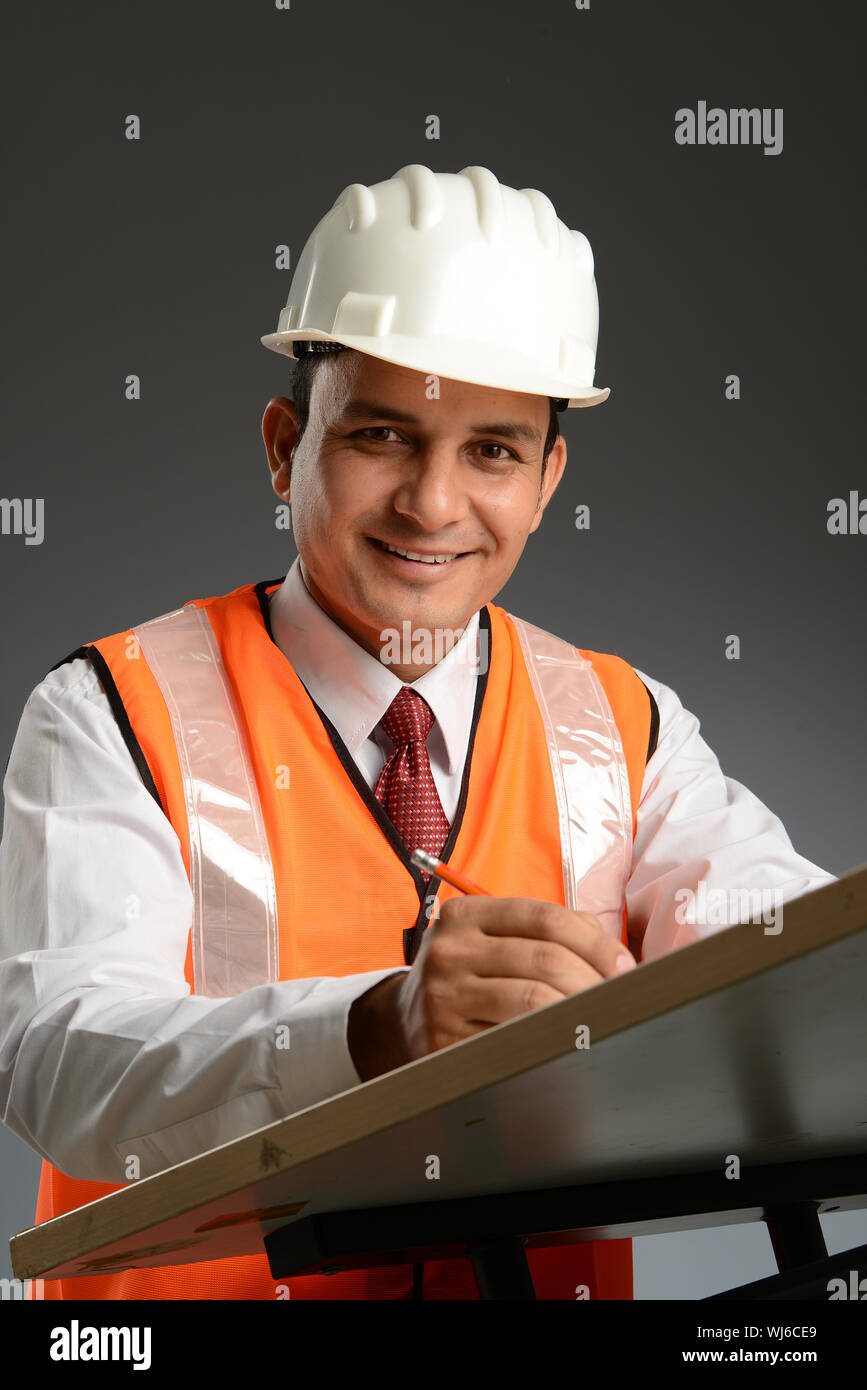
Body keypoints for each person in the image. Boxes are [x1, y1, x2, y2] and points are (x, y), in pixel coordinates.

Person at [0, 164, 834, 1301]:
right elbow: (62, 1065)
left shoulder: (622, 725)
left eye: (492, 449)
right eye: (384, 436)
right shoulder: (110, 711)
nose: (433, 505)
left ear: (549, 480)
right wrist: (375, 1028)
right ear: (285, 447)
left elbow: (797, 962)